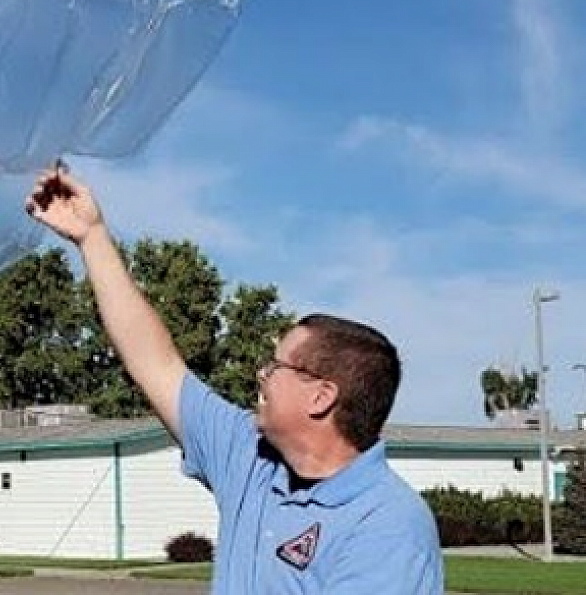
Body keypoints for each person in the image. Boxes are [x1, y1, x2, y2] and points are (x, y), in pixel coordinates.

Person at [25, 168, 444, 595]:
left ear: (321, 396)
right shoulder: (250, 458)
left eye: (276, 366)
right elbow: (156, 365)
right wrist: (91, 236)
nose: (261, 373)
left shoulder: (387, 525)